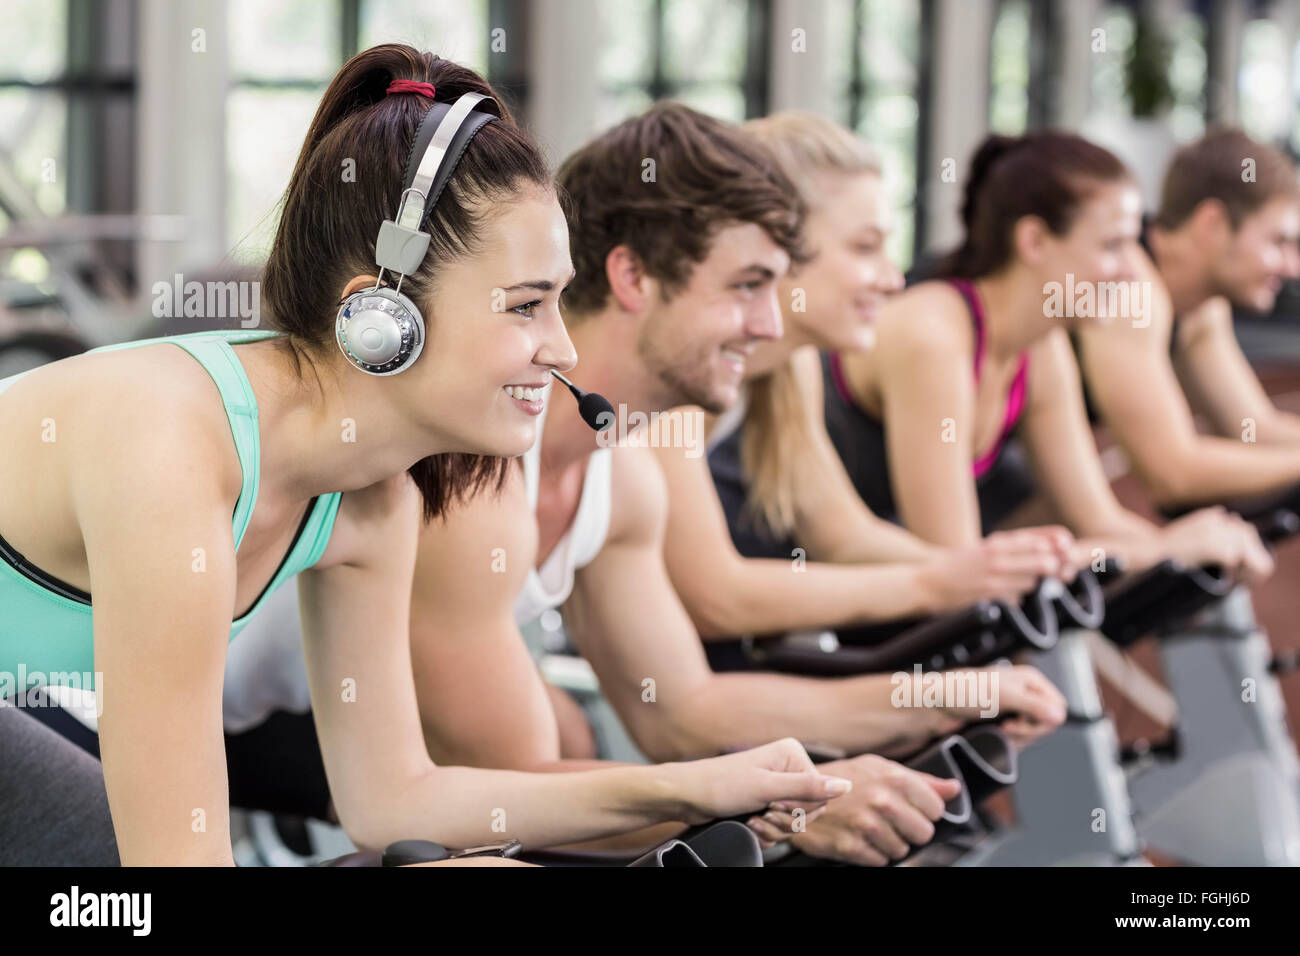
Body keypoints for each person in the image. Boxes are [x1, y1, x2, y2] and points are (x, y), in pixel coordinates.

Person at [0, 46, 848, 866]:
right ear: (380, 311)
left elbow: (394, 798)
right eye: (526, 307)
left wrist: (690, 792)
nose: (562, 350)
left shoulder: (373, 503)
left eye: (560, 304)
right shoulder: (169, 447)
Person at [647, 111, 1077, 673]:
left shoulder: (788, 367)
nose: (893, 278)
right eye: (865, 248)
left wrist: (991, 567)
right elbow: (717, 597)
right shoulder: (680, 378)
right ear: (778, 246)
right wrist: (933, 582)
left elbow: (843, 537)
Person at [822, 130, 1273, 580]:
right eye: (1112, 246)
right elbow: (965, 569)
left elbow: (1100, 521)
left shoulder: (1041, 346)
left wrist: (1194, 544)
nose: (1131, 273)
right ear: (1034, 240)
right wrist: (1163, 550)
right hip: (795, 589)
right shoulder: (935, 338)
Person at [1073, 128, 1300, 508]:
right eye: (1278, 242)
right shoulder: (1130, 288)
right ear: (1212, 223)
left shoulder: (1202, 308)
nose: (1293, 267)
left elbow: (1254, 429)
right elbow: (1172, 474)